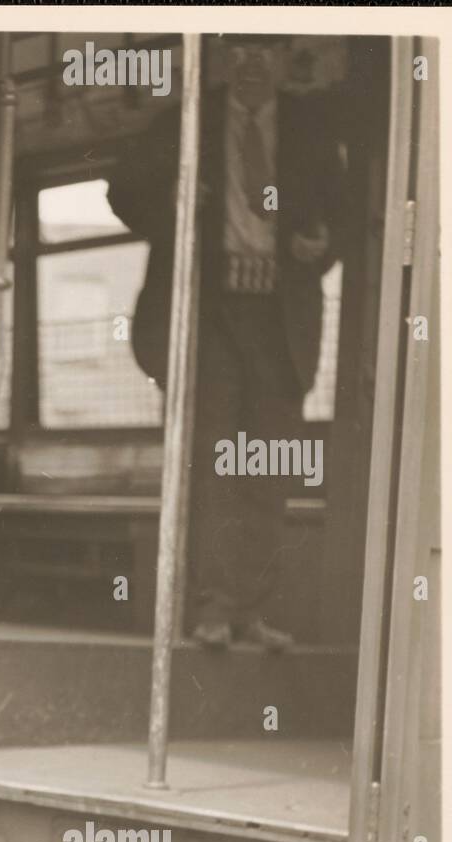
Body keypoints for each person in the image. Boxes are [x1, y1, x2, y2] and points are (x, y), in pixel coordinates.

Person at [107, 35, 346, 649]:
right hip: (207, 314)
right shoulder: (185, 120)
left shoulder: (311, 129)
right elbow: (122, 191)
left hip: (278, 319)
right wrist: (175, 200)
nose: (250, 61)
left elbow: (342, 217)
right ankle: (211, 606)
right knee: (211, 461)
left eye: (264, 47)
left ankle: (250, 610)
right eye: (237, 47)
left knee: (266, 466)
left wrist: (321, 246)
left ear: (285, 56)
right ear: (219, 57)